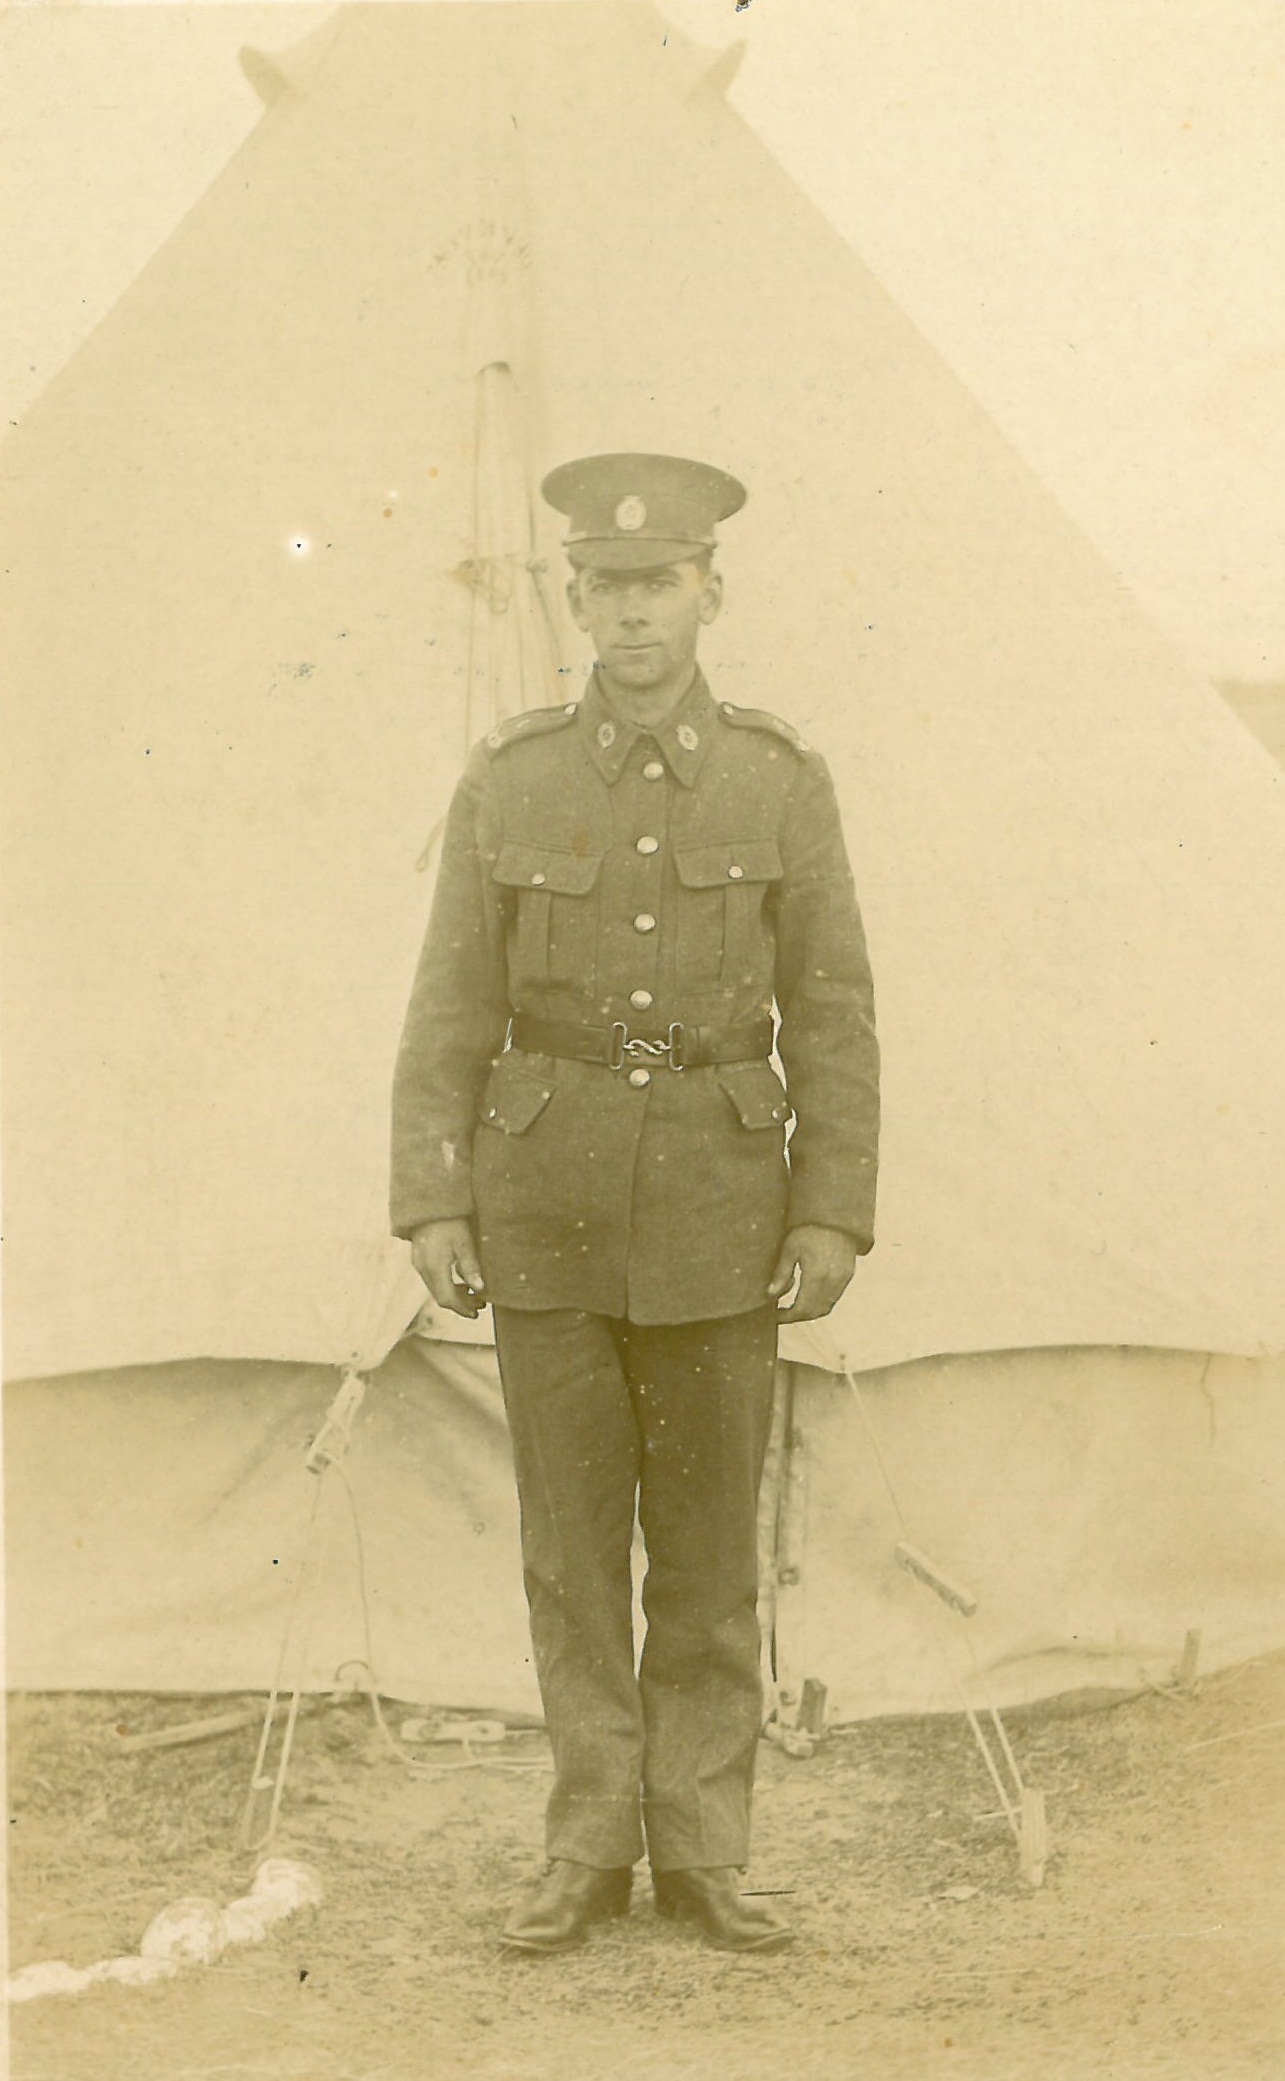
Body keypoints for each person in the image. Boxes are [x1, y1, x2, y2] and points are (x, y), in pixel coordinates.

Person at [390, 452, 879, 1955]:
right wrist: (433, 1202)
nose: (631, 613)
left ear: (710, 592)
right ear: (574, 600)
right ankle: (587, 1846)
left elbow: (834, 1010)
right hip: (543, 1209)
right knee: (572, 1552)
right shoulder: (511, 776)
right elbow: (450, 1004)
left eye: (658, 583)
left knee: (710, 1555)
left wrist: (830, 1211)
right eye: (603, 588)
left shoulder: (778, 778)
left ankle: (707, 1854)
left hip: (724, 1214)